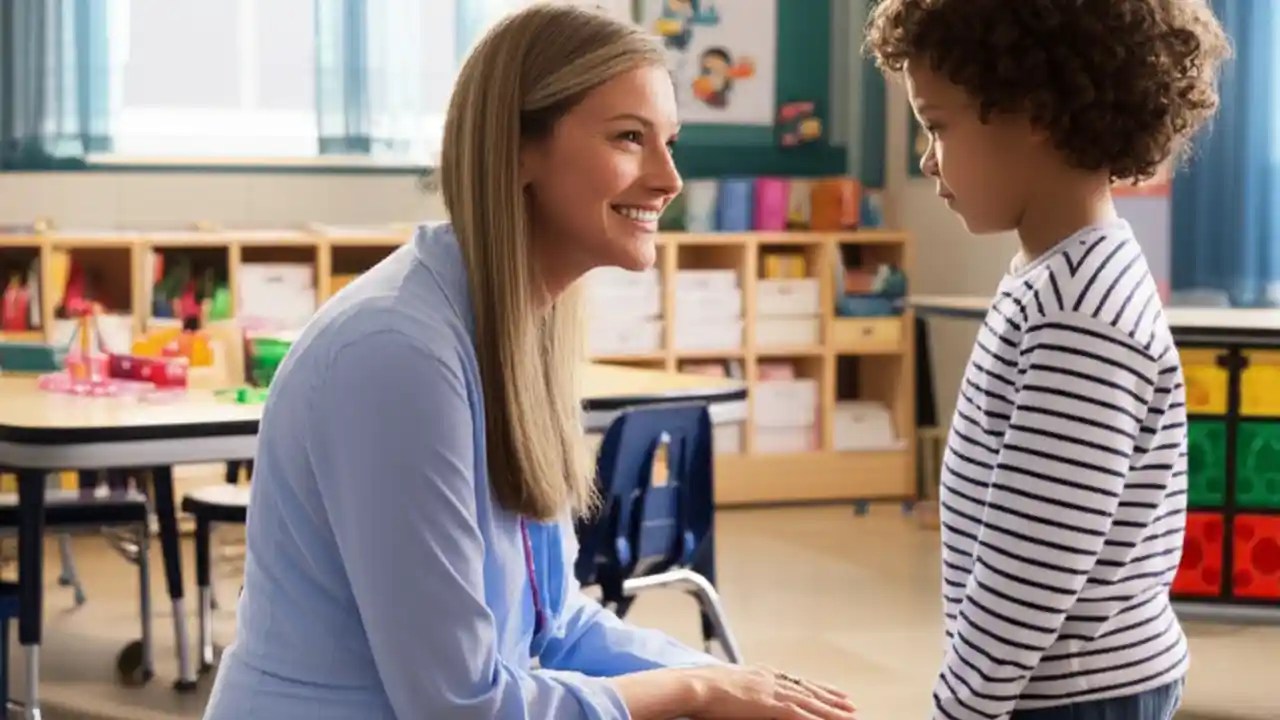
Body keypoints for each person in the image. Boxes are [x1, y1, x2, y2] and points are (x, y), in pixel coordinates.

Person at [203, 5, 857, 720]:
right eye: (630, 138)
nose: (670, 178)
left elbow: (558, 624)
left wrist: (745, 683)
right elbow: (461, 704)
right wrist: (695, 689)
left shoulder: (519, 326)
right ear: (517, 148)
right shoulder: (397, 356)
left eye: (670, 142)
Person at [863, 1, 1230, 719]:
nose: (925, 157)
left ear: (1032, 111)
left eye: (937, 125)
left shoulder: (1081, 314)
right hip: (1063, 679)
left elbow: (1032, 564)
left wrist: (963, 706)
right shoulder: (1057, 275)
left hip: (1072, 691)